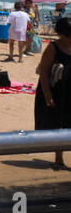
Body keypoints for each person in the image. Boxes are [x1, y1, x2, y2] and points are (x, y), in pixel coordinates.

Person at [35, 17, 71, 169]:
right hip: (56, 91)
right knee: (58, 123)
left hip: (70, 90)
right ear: (61, 34)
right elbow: (43, 72)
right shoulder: (53, 48)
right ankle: (58, 159)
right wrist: (48, 95)